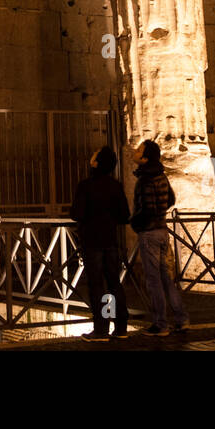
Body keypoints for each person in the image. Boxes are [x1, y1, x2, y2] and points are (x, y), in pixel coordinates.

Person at [70, 146, 131, 341]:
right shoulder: (116, 185)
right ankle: (121, 327)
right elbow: (124, 215)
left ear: (96, 163)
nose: (91, 156)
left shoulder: (86, 185)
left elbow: (76, 214)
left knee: (97, 285)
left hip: (92, 241)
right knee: (114, 283)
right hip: (110, 240)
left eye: (94, 155)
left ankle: (101, 328)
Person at [130, 139, 189, 335]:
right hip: (163, 230)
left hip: (149, 232)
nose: (135, 151)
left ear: (145, 158)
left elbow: (147, 208)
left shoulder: (145, 179)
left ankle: (160, 324)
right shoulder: (161, 176)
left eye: (139, 150)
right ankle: (181, 318)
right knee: (166, 279)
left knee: (153, 280)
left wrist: (136, 223)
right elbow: (170, 199)